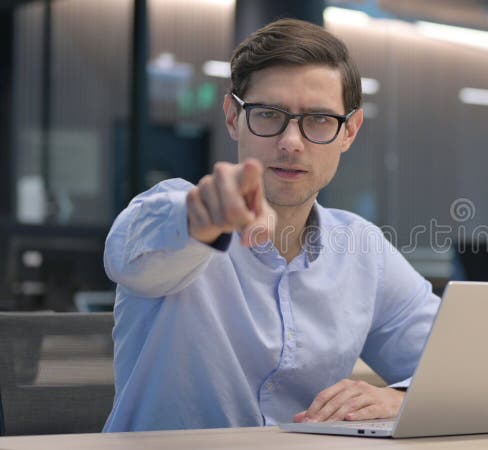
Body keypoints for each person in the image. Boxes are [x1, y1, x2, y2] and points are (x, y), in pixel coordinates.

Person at [103, 18, 440, 432]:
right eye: (268, 114)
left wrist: (399, 396)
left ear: (349, 131)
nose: (291, 142)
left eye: (318, 119)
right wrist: (208, 216)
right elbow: (128, 251)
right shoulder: (173, 211)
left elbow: (457, 362)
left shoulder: (362, 250)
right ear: (233, 118)